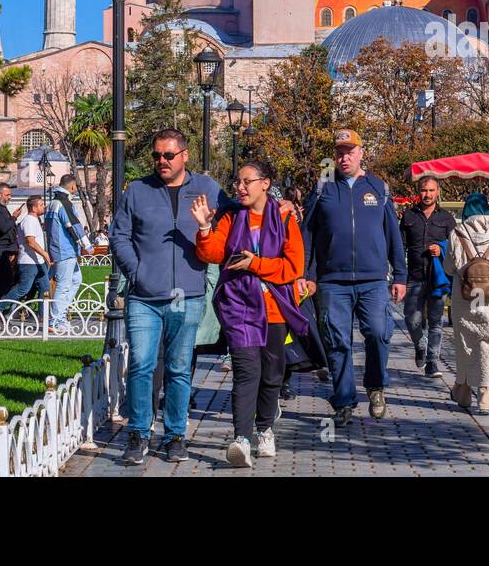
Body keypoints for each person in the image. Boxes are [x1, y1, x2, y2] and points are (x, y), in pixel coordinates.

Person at [110, 128, 230, 465]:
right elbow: (118, 235)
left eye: (168, 155)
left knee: (179, 369)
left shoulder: (206, 188)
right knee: (141, 365)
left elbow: (236, 214)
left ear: (184, 155)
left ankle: (175, 436)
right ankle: (138, 433)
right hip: (145, 297)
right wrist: (137, 272)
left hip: (186, 295)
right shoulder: (138, 190)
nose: (161, 161)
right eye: (157, 155)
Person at [192, 160, 307, 468]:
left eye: (246, 182)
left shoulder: (284, 217)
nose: (240, 188)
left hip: (274, 308)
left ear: (265, 183)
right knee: (246, 372)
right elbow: (213, 253)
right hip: (239, 305)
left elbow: (293, 267)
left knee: (272, 374)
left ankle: (265, 428)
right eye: (237, 183)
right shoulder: (232, 217)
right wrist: (204, 227)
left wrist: (255, 263)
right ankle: (241, 439)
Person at [302, 128, 406, 426]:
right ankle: (344, 400)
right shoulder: (323, 188)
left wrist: (400, 275)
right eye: (338, 152)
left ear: (361, 153)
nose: (343, 157)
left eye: (349, 151)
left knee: (377, 332)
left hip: (373, 280)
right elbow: (307, 235)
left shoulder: (378, 188)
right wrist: (306, 275)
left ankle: (375, 386)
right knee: (337, 341)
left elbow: (392, 235)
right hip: (332, 281)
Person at [444, 192, 489, 415]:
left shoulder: (456, 234)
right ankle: (487, 400)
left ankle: (463, 392)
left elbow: (449, 267)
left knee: (467, 345)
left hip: (465, 300)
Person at [399, 174, 455, 379]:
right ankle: (420, 346)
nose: (427, 194)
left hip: (438, 279)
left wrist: (442, 249)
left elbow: (455, 247)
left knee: (435, 322)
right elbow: (400, 247)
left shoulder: (446, 218)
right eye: (424, 190)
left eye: (431, 190)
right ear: (418, 192)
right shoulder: (408, 217)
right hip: (414, 276)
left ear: (437, 192)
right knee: (412, 319)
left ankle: (432, 361)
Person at [44, 175, 88, 334]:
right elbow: (73, 225)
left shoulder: (52, 203)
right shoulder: (64, 203)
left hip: (60, 250)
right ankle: (55, 320)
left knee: (76, 280)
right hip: (65, 251)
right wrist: (87, 245)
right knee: (62, 286)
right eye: (75, 188)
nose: (76, 190)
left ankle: (59, 314)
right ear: (72, 187)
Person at [0, 196, 51, 309]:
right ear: (33, 208)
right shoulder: (29, 221)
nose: (44, 207)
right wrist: (44, 253)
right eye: (41, 204)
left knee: (45, 287)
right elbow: (30, 241)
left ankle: (43, 316)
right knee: (23, 289)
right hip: (28, 262)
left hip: (38, 261)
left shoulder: (35, 220)